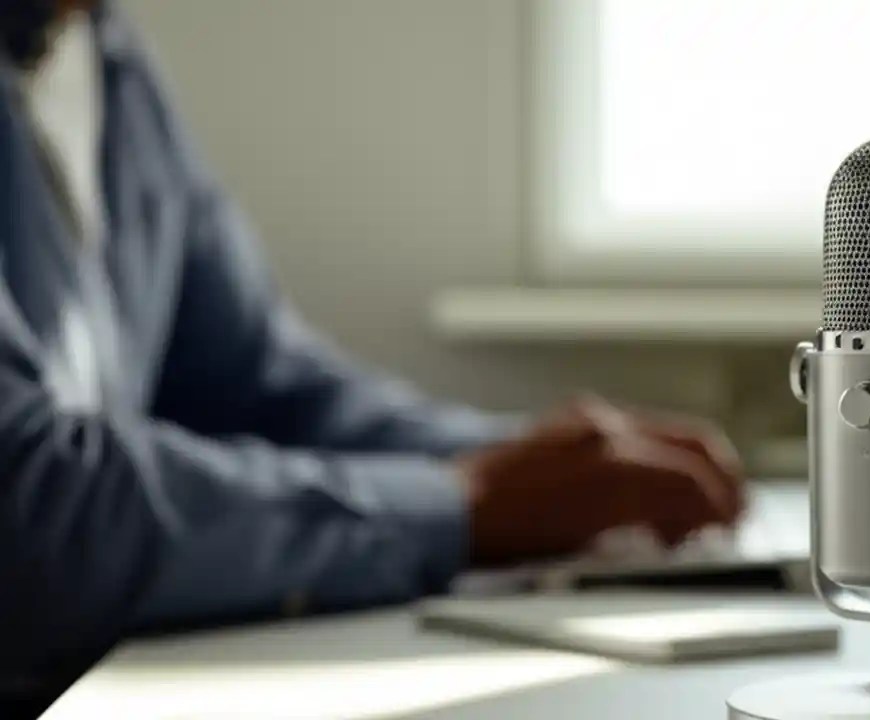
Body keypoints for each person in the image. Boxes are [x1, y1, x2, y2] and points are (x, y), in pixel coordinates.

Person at [0, 1, 745, 711]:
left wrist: (551, 467)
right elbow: (29, 507)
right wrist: (465, 503)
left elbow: (262, 384)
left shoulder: (106, 54)